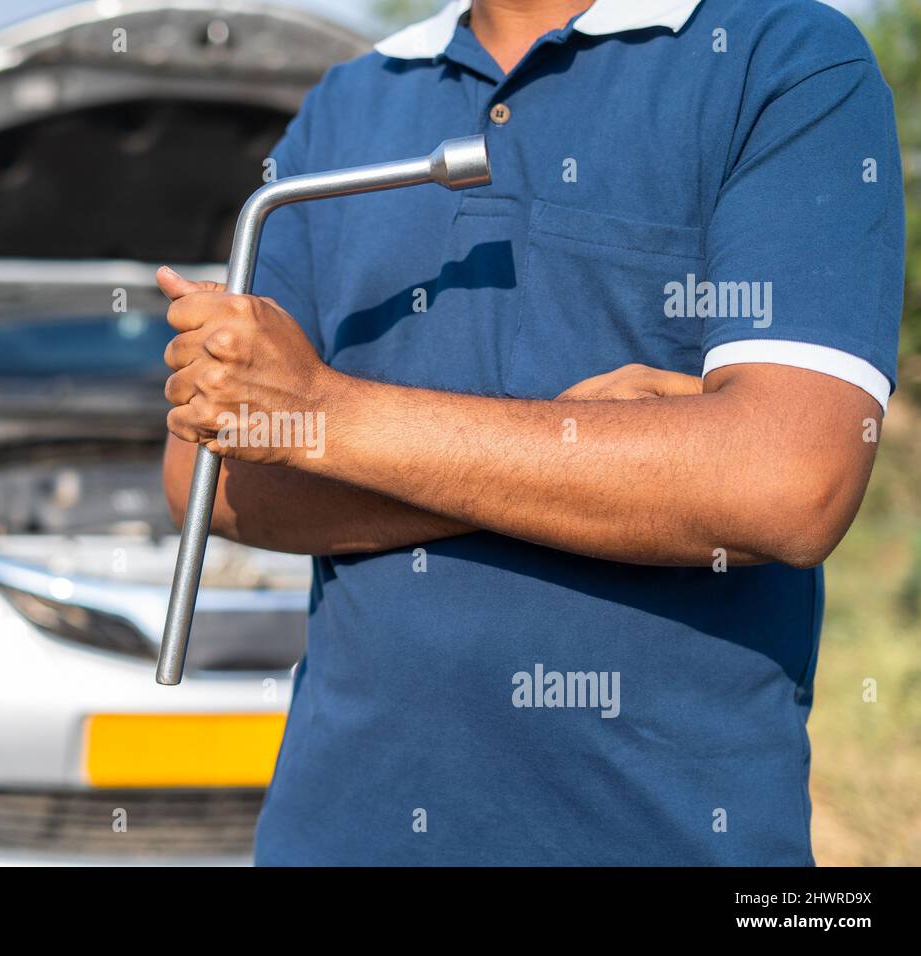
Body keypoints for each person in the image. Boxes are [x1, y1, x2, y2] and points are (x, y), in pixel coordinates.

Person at [157, 0, 904, 865]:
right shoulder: (350, 101)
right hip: (337, 833)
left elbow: (786, 484)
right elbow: (204, 479)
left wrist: (330, 419)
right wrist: (578, 446)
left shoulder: (784, 59)